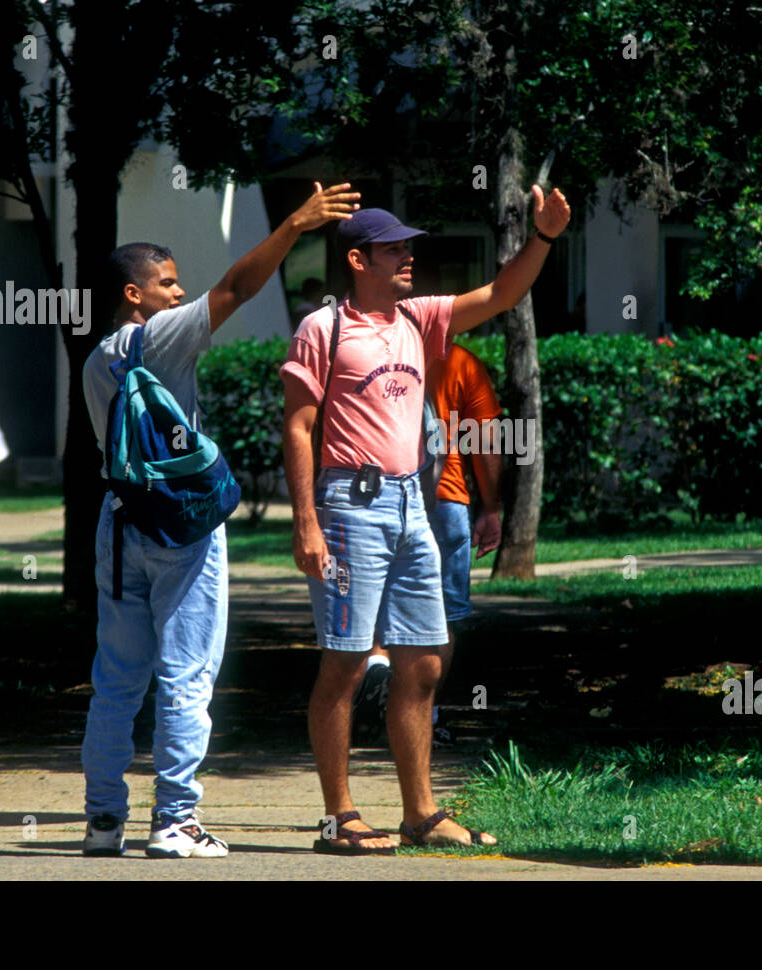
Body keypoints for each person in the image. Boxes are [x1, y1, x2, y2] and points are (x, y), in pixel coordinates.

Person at [281, 187, 570, 853]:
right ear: (358, 259)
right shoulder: (323, 329)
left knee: (423, 664)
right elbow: (298, 426)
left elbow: (500, 294)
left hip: (414, 503)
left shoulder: (418, 319)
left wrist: (545, 238)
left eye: (409, 246)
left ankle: (420, 814)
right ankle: (338, 818)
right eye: (394, 248)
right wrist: (306, 522)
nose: (408, 256)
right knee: (347, 664)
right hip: (349, 506)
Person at [78, 182, 360, 859]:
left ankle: (102, 823)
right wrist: (294, 224)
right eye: (167, 284)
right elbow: (236, 288)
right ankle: (174, 821)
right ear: (134, 294)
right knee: (186, 675)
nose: (180, 294)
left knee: (116, 677)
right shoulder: (158, 338)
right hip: (184, 530)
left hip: (119, 526)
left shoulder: (94, 362)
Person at [352, 343, 504, 746]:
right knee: (443, 615)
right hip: (446, 499)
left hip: (376, 495)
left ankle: (378, 666)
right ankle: (425, 717)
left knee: (380, 601)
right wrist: (491, 507)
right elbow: (486, 439)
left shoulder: (372, 354)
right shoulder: (461, 363)